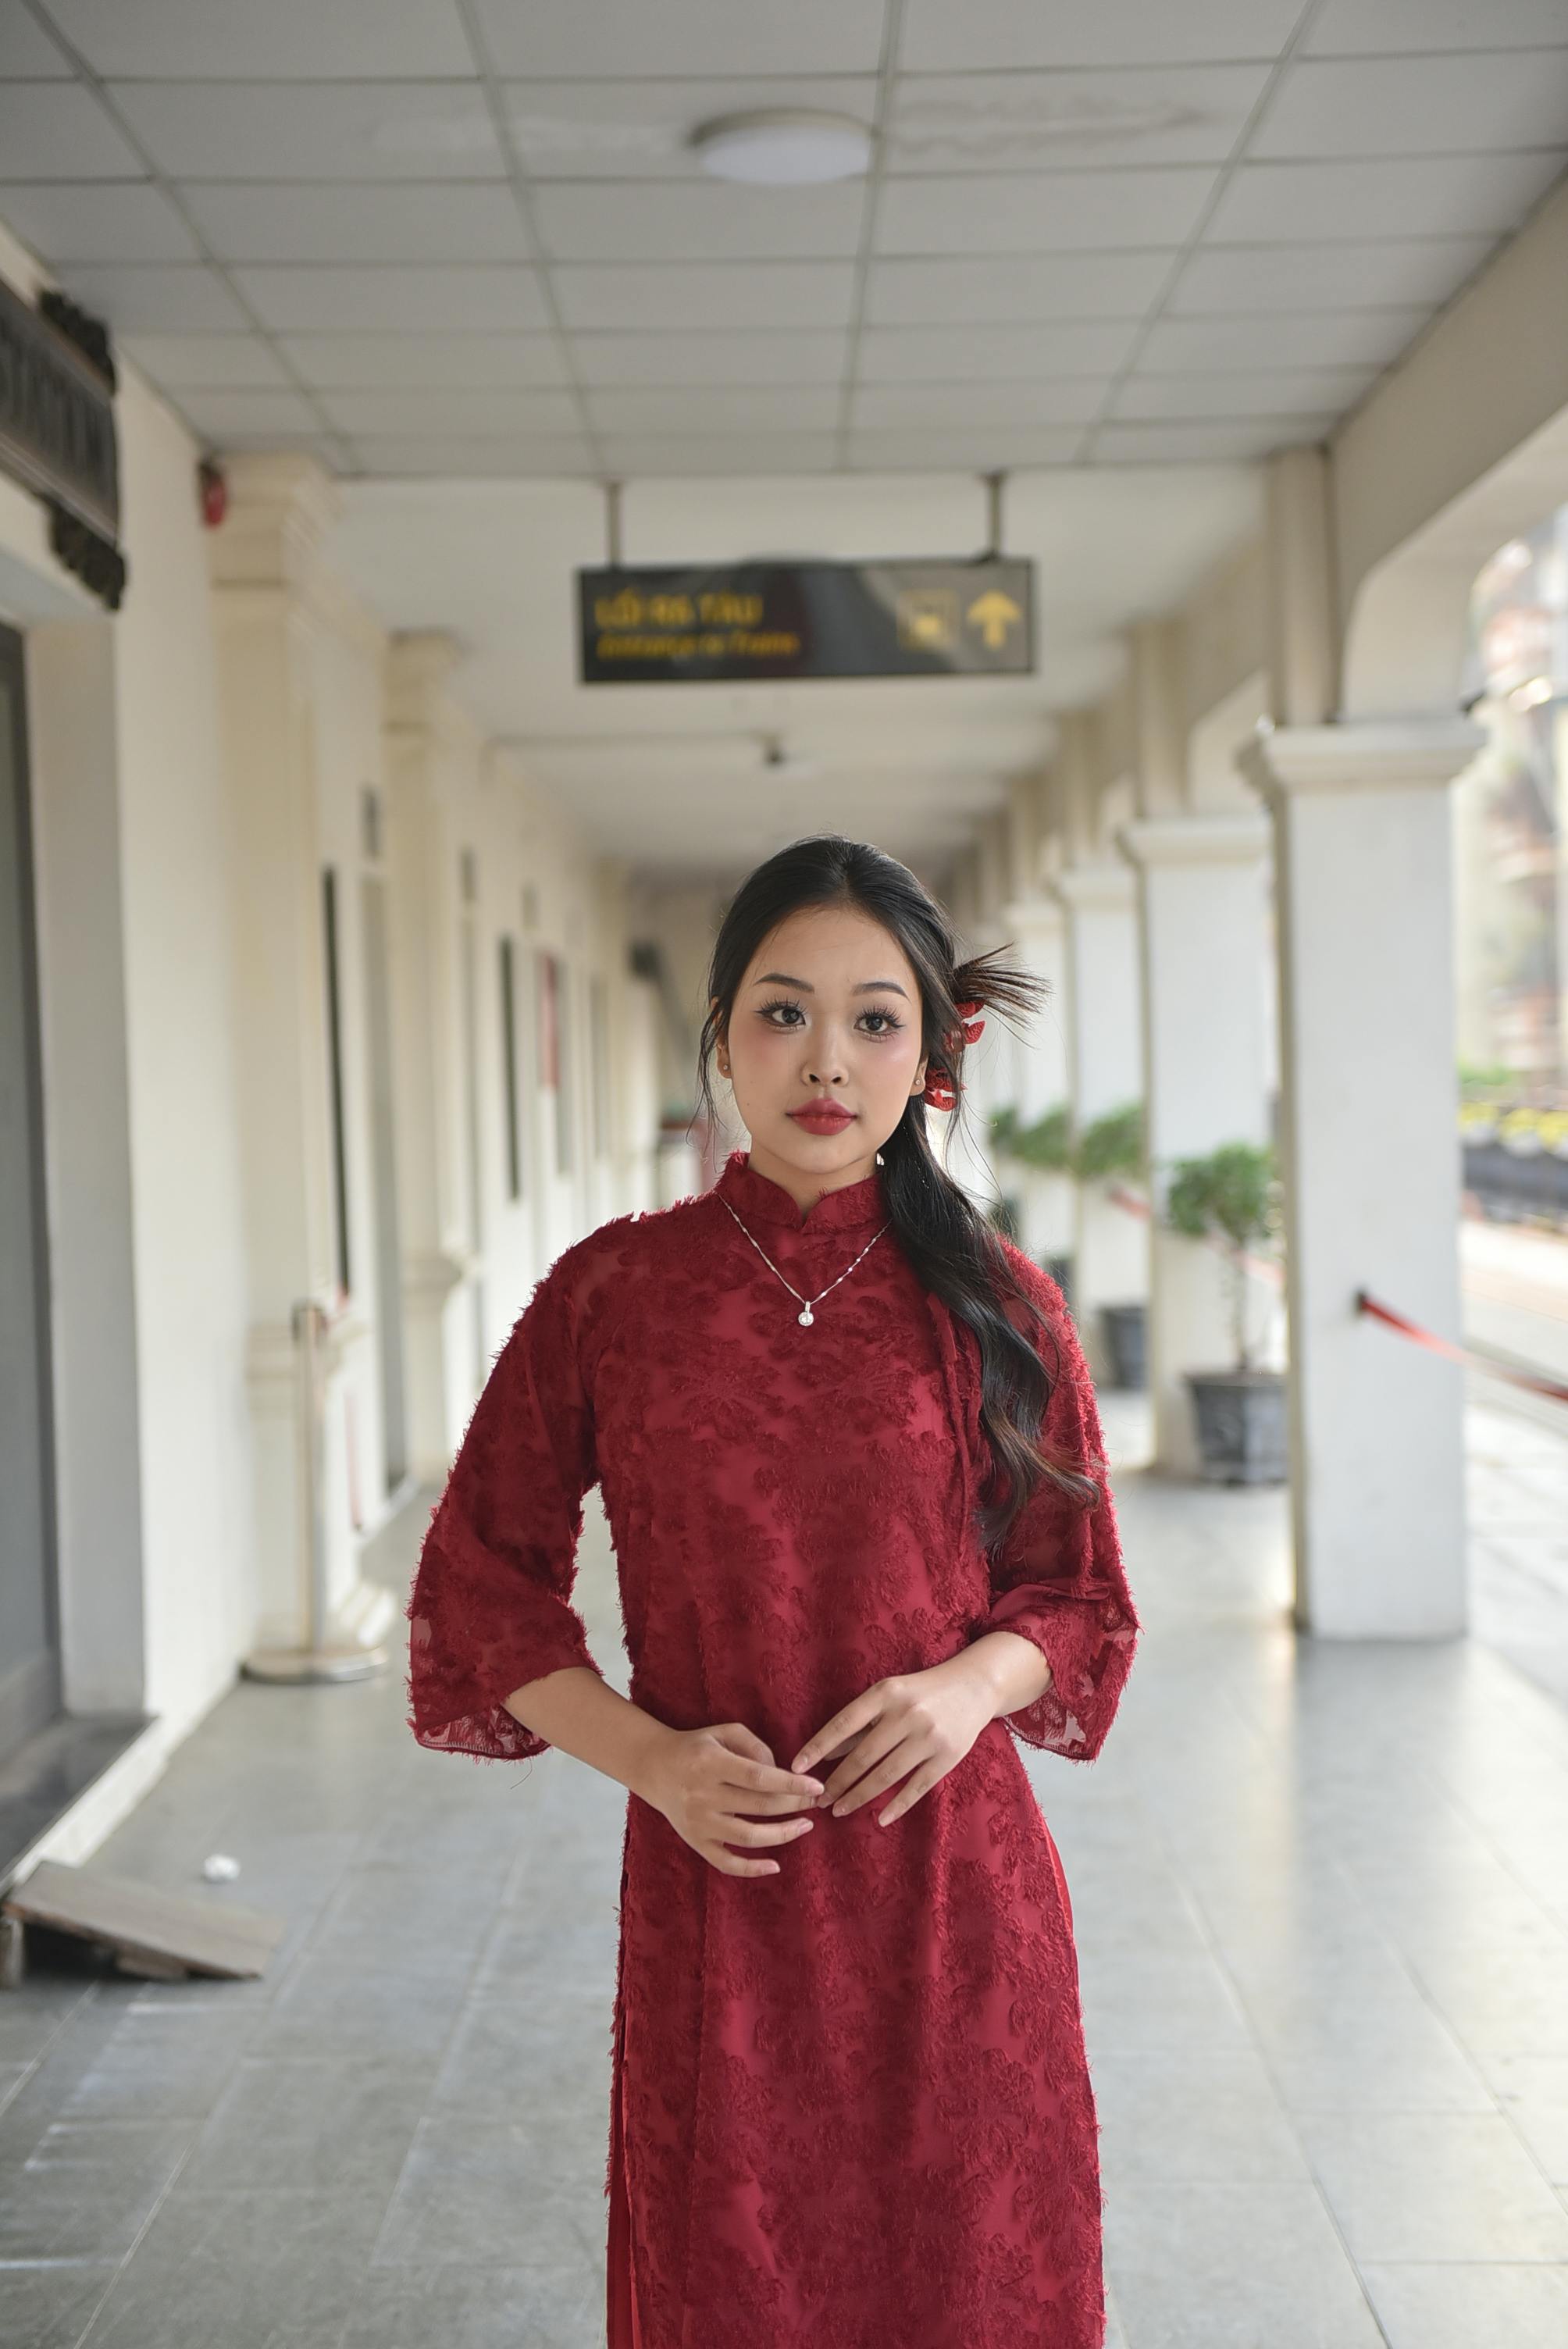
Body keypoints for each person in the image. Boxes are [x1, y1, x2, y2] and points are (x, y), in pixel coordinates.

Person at [405, 832, 1142, 2349]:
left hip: (951, 1907)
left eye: (876, 1019)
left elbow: (1075, 1599)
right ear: (722, 1036)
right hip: (721, 1902)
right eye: (783, 1011)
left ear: (930, 1058)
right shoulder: (613, 1294)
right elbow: (479, 1590)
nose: (826, 1059)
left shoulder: (997, 1301)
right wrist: (652, 1760)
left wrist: (965, 1687)